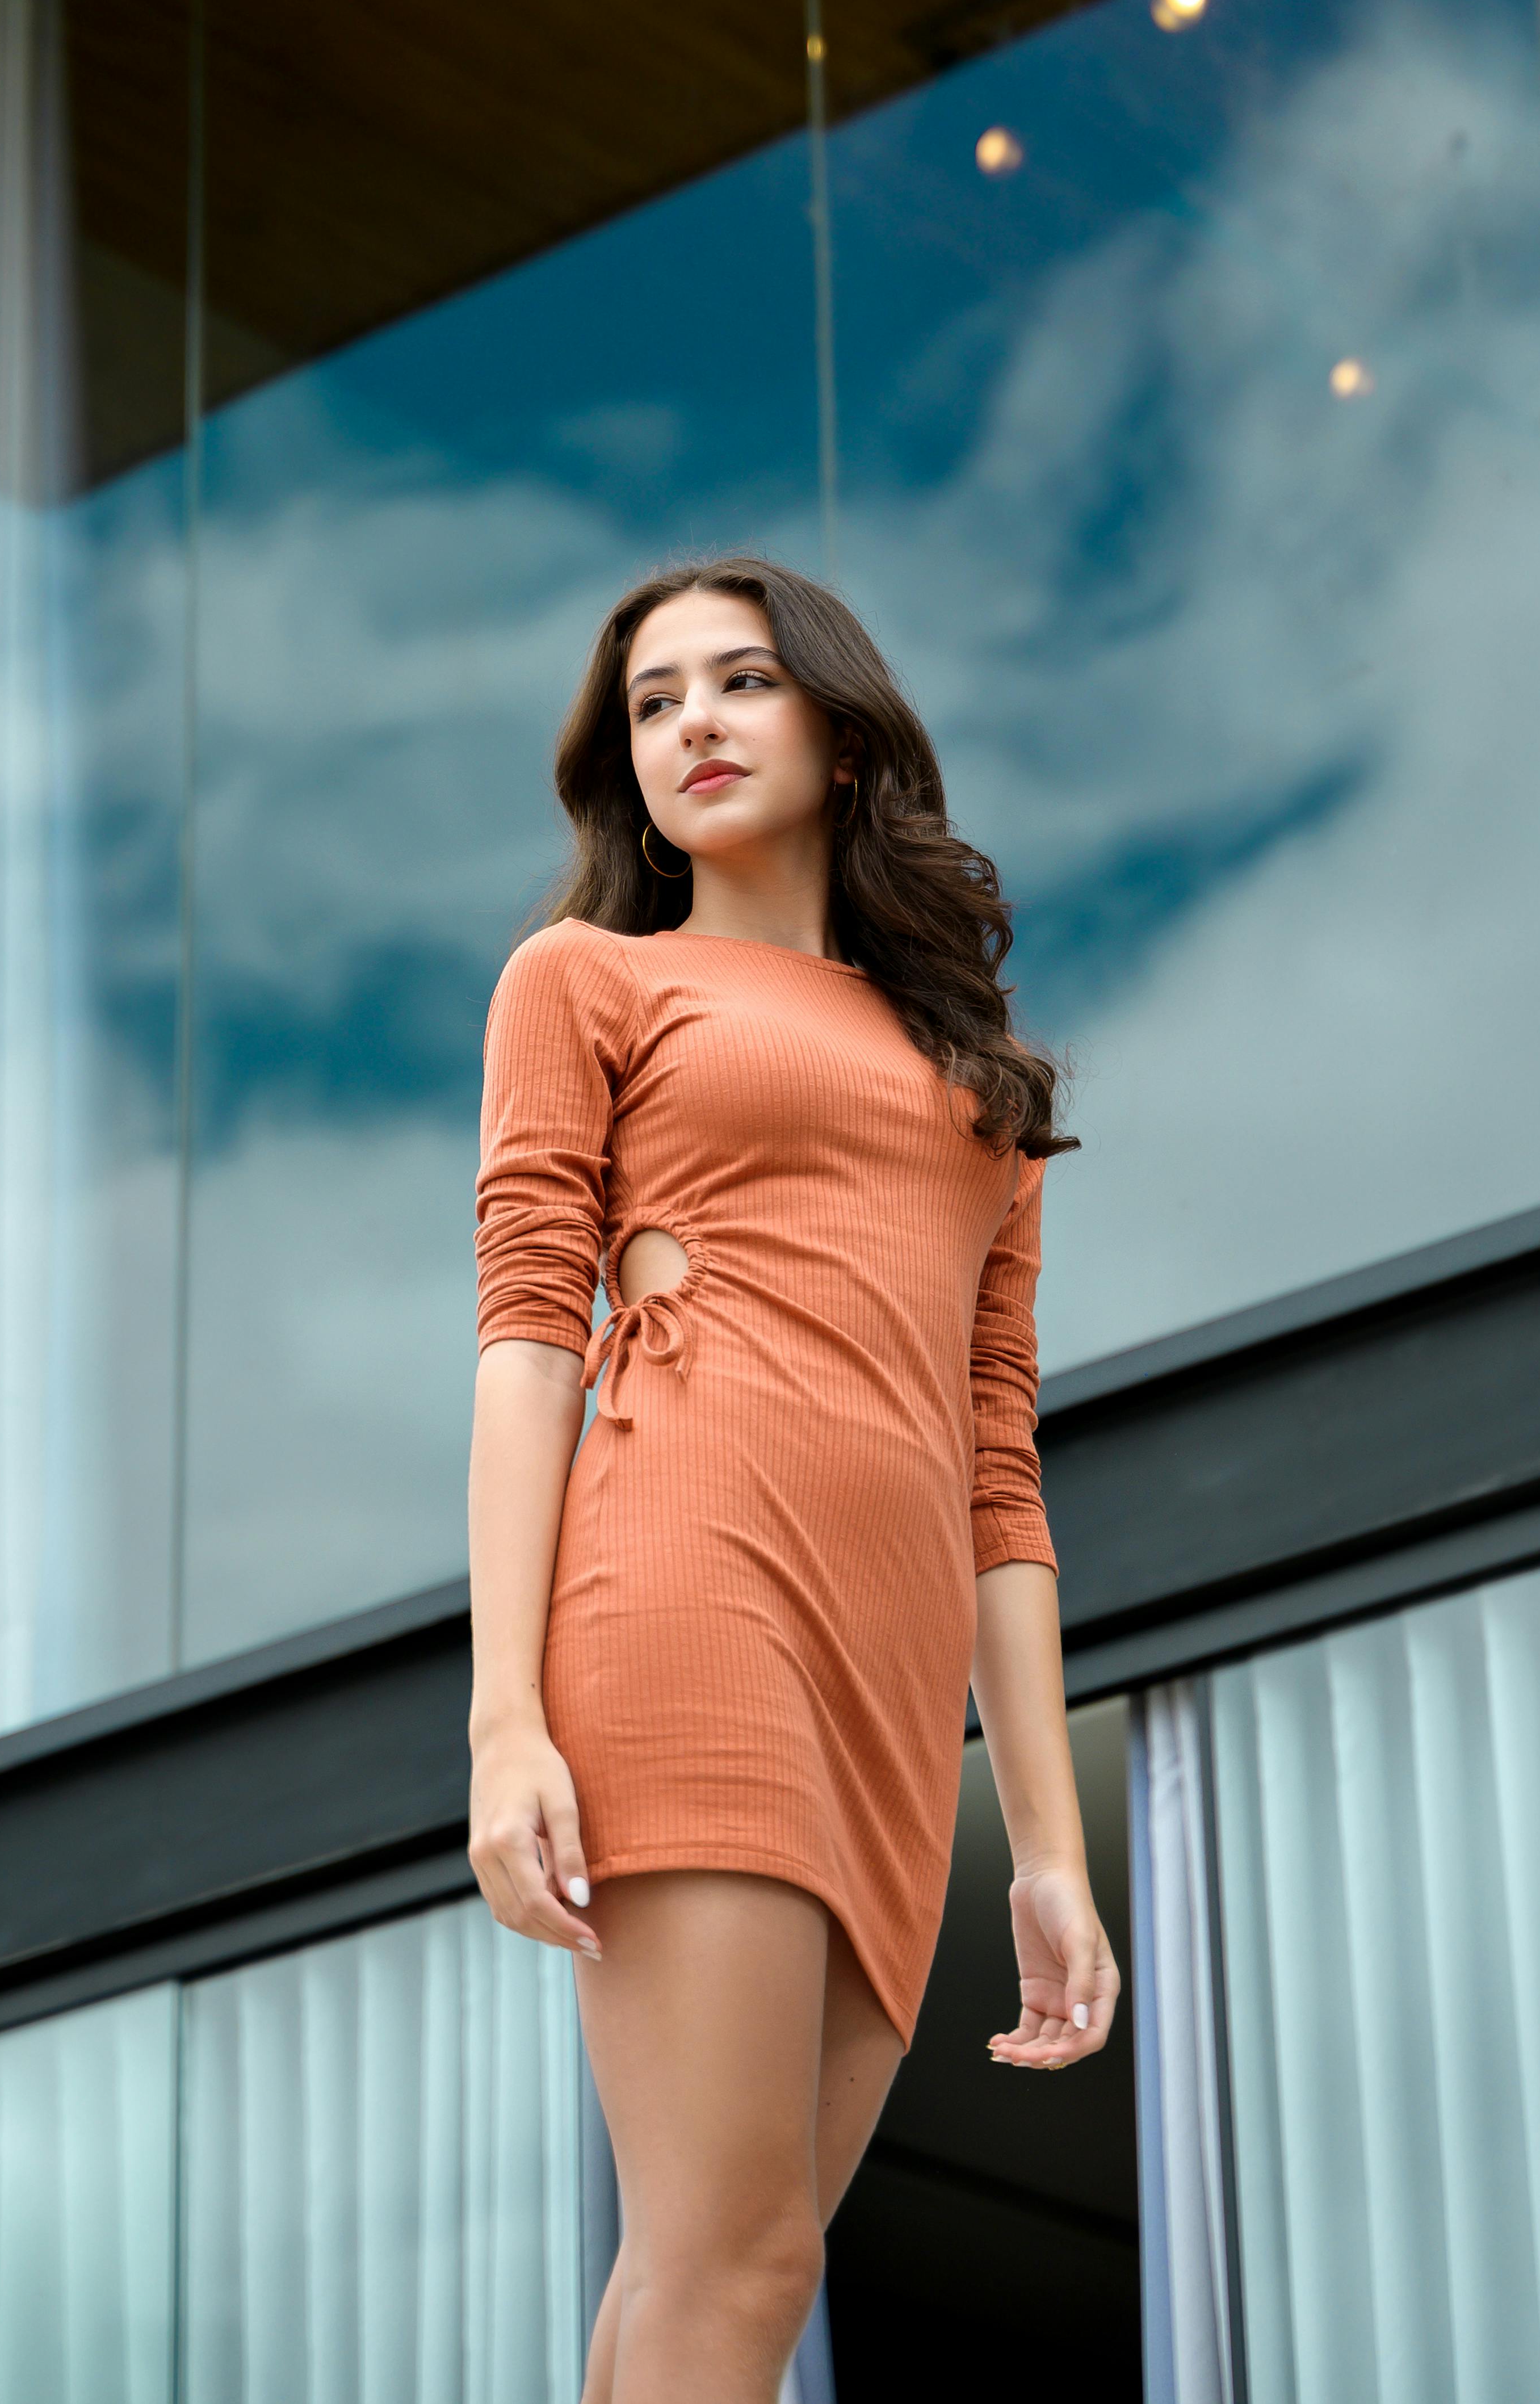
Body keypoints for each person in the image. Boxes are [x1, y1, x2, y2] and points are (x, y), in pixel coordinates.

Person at [467, 555, 1119, 2404]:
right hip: (688, 1591)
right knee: (729, 2262)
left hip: (894, 1690)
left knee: (732, 2270)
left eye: (739, 683)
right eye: (655, 703)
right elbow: (526, 1340)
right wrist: (505, 1720)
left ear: (840, 734)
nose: (694, 725)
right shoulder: (586, 978)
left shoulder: (979, 1084)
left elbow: (1002, 1472)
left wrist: (1050, 1853)